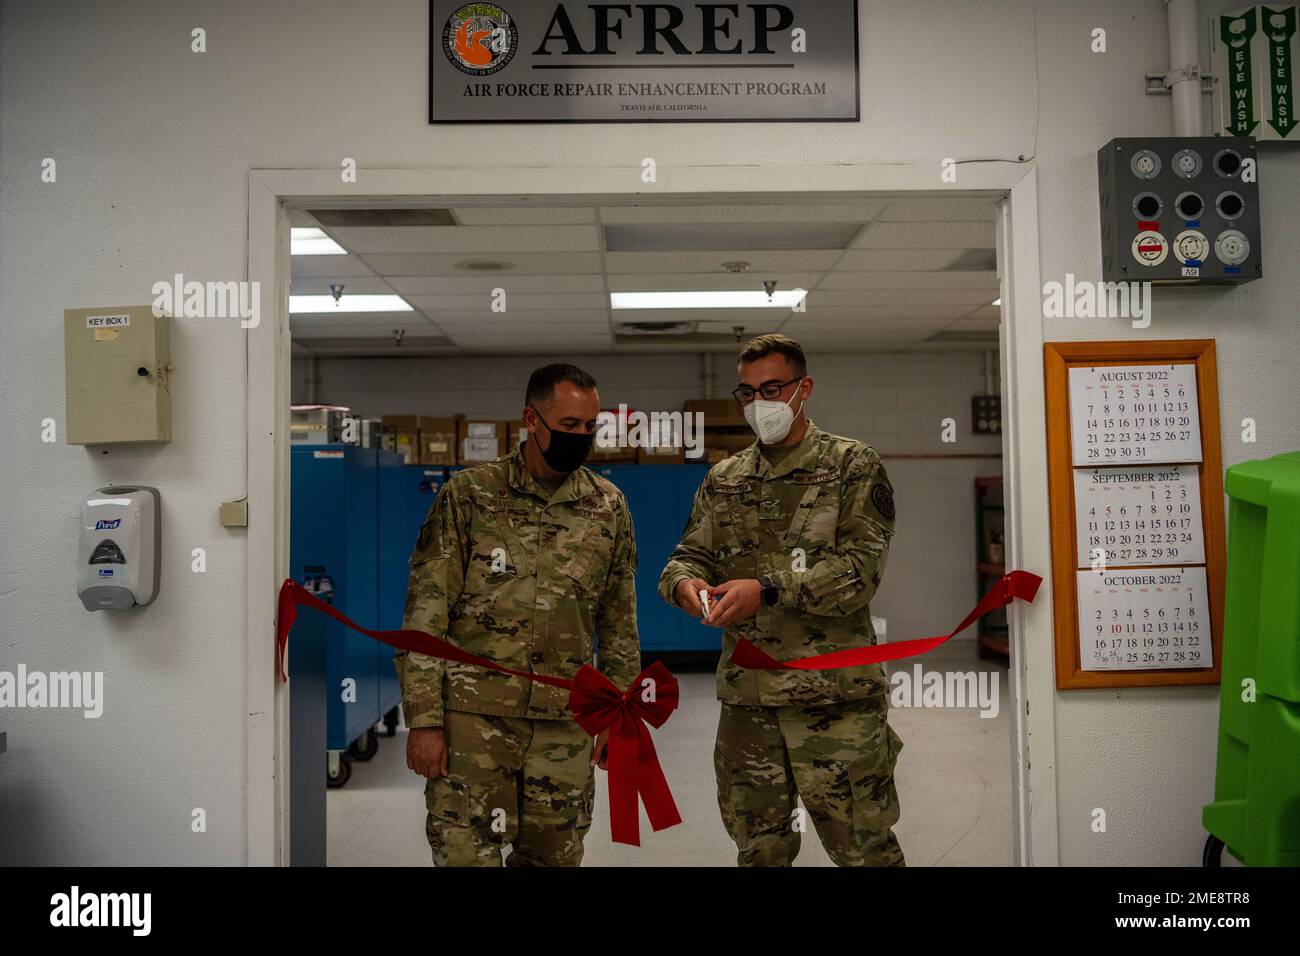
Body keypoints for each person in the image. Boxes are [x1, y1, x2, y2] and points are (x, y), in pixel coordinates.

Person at [659, 333, 904, 867]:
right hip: (750, 705)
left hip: (835, 703)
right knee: (758, 852)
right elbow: (686, 558)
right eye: (746, 393)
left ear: (803, 388)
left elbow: (860, 574)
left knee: (865, 851)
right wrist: (686, 587)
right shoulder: (724, 479)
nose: (758, 404)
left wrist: (767, 590)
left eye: (772, 388)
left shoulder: (851, 465)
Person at [396, 363, 641, 866]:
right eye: (569, 426)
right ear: (532, 419)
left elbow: (619, 623)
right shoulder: (469, 496)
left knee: (555, 858)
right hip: (473, 724)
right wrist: (423, 722)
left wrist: (621, 718)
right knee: (466, 855)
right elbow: (425, 617)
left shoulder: (608, 506)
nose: (582, 437)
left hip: (563, 725)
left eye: (591, 427)